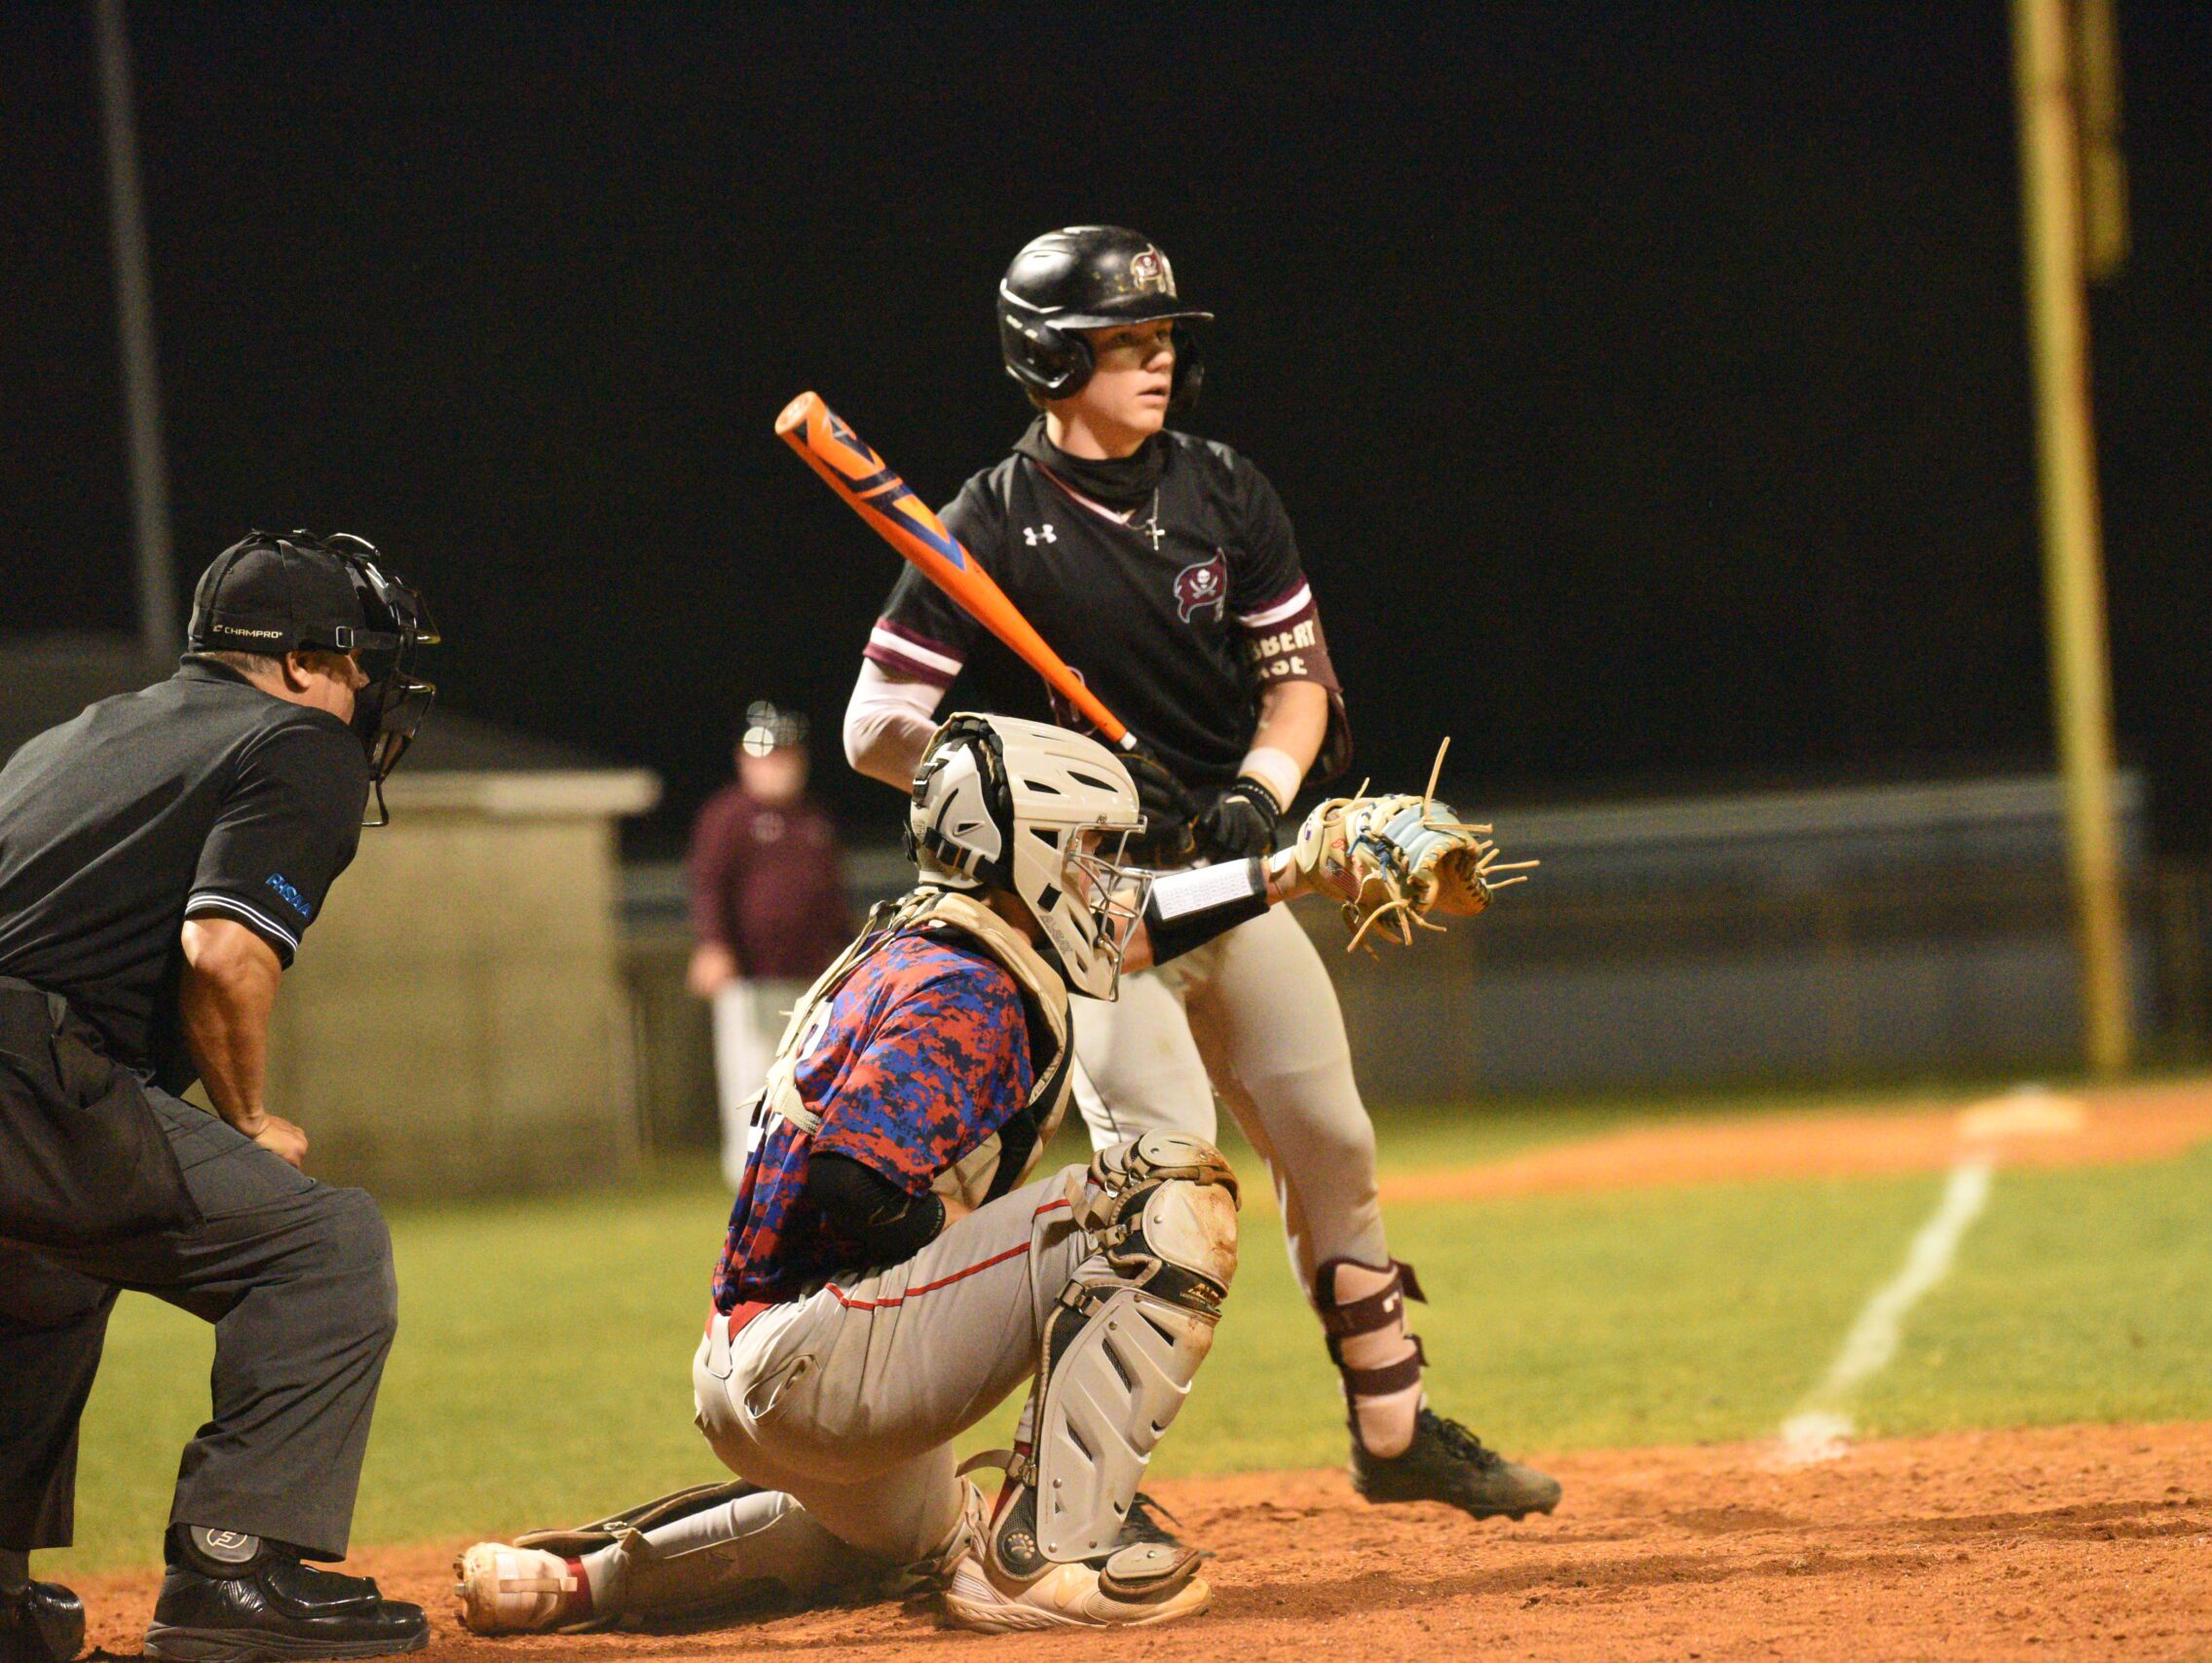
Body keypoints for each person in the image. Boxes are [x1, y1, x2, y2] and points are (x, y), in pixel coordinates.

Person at [455, 715, 1481, 1635]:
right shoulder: (968, 987)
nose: (1100, 870)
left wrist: (1292, 867)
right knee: (1160, 1191)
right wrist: (961, 1272)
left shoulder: (946, 931)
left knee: (905, 1546)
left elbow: (1131, 925)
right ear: (1027, 852)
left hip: (756, 1376)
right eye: (1083, 848)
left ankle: (579, 1582)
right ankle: (1049, 1555)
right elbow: (847, 1189)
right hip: (821, 1363)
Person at [841, 225, 1559, 1519]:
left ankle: (1393, 1432)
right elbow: (875, 727)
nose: (1160, 360)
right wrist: (1021, 779)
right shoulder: (985, 523)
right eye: (1129, 341)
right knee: (1166, 1189)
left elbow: (1299, 686)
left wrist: (1256, 793)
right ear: (1052, 357)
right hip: (1093, 917)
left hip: (1227, 878)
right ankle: (1069, 1489)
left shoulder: (1226, 492)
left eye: (1164, 337)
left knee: (1333, 1141)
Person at [0, 533, 438, 1663]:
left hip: (25, 1070)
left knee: (41, 1273)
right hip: (24, 1069)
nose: (368, 692)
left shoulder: (84, 734)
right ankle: (233, 1571)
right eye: (357, 664)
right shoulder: (299, 741)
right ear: (299, 661)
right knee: (323, 1249)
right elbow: (222, 950)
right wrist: (247, 1119)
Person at [686, 702, 858, 1184]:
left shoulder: (813, 821)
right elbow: (707, 886)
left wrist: (853, 956)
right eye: (765, 755)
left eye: (784, 754)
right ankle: (749, 1179)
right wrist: (713, 945)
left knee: (810, 1080)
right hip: (751, 977)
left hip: (810, 980)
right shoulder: (729, 815)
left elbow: (832, 901)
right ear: (744, 759)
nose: (775, 765)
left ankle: (803, 1173)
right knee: (751, 1079)